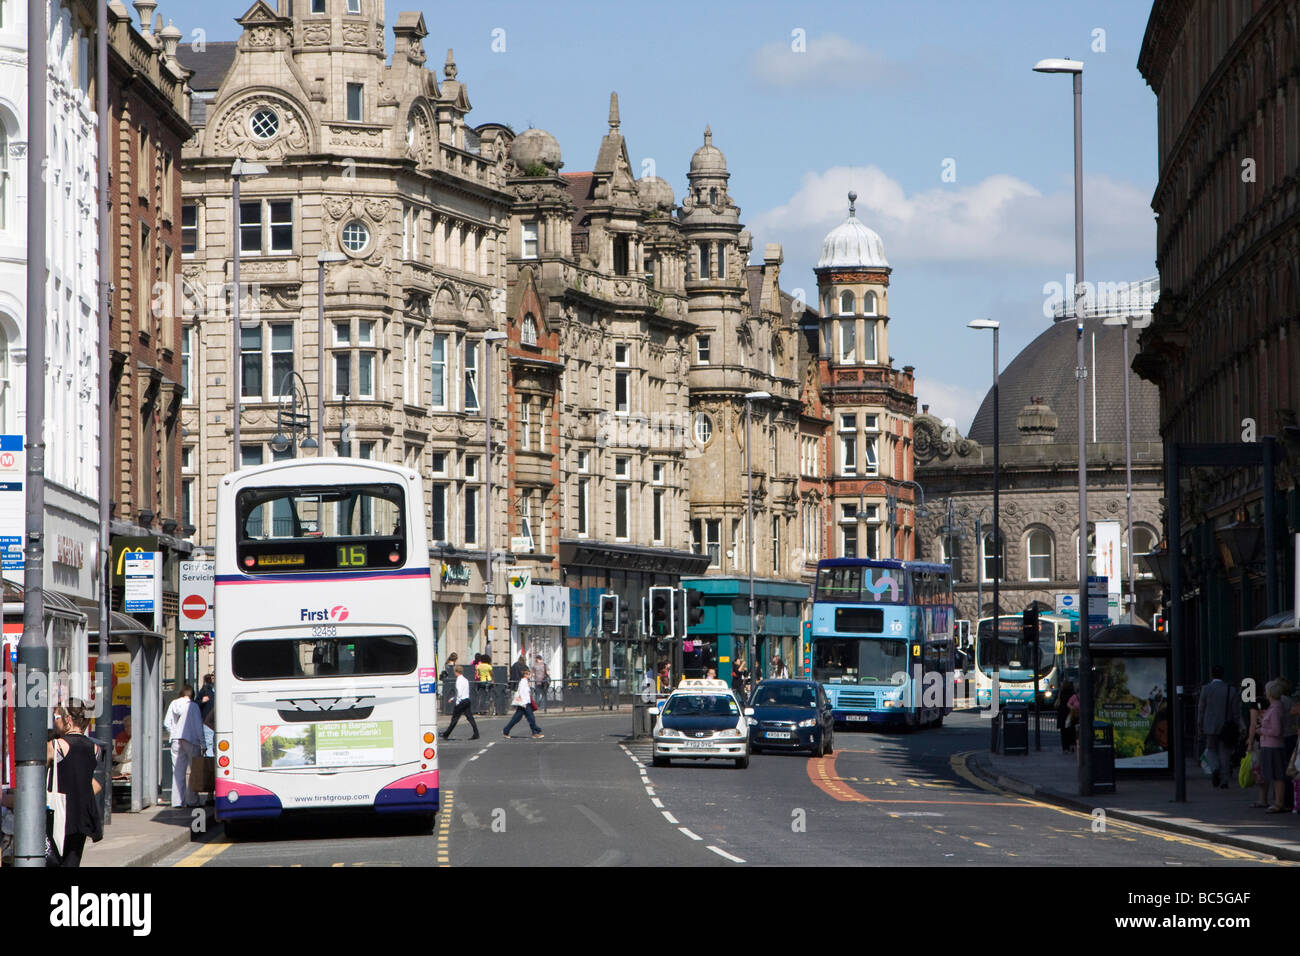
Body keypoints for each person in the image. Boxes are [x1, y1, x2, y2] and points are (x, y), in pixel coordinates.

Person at [48, 701, 103, 867]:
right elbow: (95, 784)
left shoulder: (56, 746)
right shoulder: (95, 748)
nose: (54, 721)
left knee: (51, 860)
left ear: (68, 719)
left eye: (56, 717)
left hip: (57, 813)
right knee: (72, 863)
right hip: (81, 817)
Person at [164, 685, 205, 808]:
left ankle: (177, 801)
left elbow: (167, 722)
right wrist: (203, 743)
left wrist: (174, 732)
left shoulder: (173, 704)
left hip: (176, 739)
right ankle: (192, 800)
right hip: (191, 739)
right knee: (194, 771)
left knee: (177, 771)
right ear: (191, 695)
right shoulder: (193, 706)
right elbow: (198, 726)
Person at [1197, 664, 1235, 789]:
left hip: (1209, 726)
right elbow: (1235, 711)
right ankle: (1224, 780)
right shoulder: (1230, 689)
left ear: (1212, 674)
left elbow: (1201, 709)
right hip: (1226, 726)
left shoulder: (1206, 689)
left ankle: (1215, 768)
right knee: (1225, 753)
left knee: (1211, 749)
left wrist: (1200, 724)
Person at [1252, 680, 1288, 812]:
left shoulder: (1276, 708)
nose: (1265, 692)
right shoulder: (1274, 708)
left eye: (1267, 690)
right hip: (1269, 745)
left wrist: (1261, 731)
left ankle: (1279, 803)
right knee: (1273, 774)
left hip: (1273, 746)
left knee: (1278, 775)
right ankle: (1277, 801)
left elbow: (1277, 731)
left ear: (1270, 693)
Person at [442, 665, 479, 740]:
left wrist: (455, 701)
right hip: (467, 700)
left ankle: (446, 734)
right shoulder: (465, 680)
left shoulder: (458, 680)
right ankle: (476, 733)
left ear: (456, 672)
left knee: (454, 719)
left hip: (461, 701)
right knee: (470, 717)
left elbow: (459, 692)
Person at [502, 670, 543, 739]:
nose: (529, 675)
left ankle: (506, 730)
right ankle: (536, 732)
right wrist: (524, 703)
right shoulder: (523, 682)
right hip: (524, 703)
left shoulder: (526, 682)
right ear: (525, 675)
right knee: (531, 718)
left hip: (525, 702)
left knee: (516, 718)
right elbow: (521, 692)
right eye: (528, 674)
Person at [197, 673, 216, 759]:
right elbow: (197, 703)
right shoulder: (205, 690)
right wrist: (202, 701)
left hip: (212, 721)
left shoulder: (215, 690)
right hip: (208, 722)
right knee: (209, 743)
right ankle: (210, 762)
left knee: (212, 743)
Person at [1057, 680, 1077, 753]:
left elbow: (1058, 704)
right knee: (1072, 732)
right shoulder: (1073, 694)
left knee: (1064, 733)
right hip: (1072, 714)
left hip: (1062, 715)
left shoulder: (1061, 693)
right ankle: (1072, 746)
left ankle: (1065, 748)